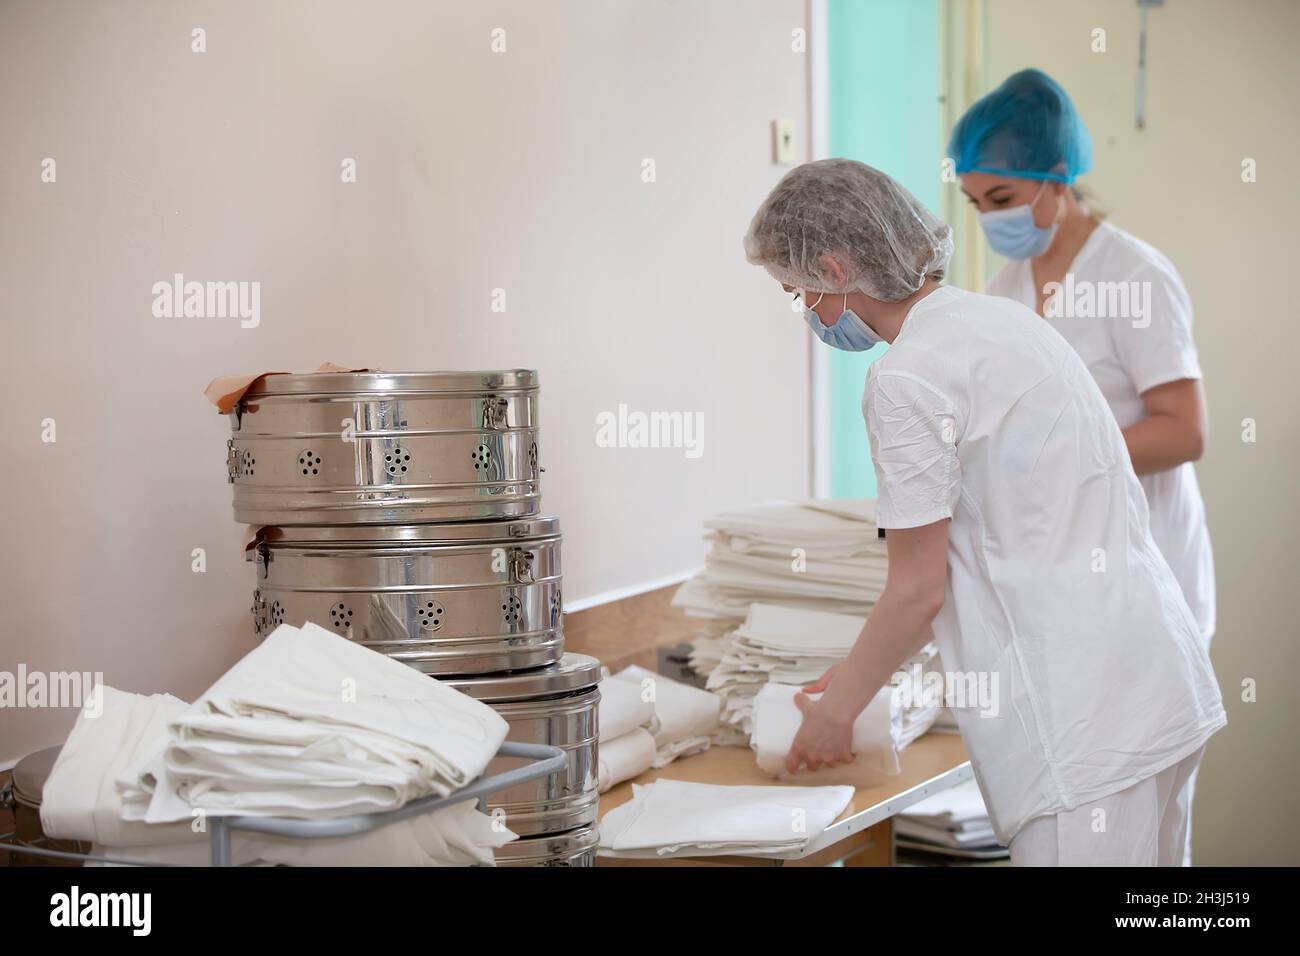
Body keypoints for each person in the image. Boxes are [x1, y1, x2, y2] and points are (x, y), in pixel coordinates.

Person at [743, 158, 1225, 866]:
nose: (806, 312)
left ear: (835, 264)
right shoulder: (1001, 322)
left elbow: (917, 587)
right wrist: (855, 671)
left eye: (797, 292)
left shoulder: (907, 377)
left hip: (1084, 727)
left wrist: (836, 715)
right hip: (1156, 679)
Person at [949, 70, 1216, 864]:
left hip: (1146, 584)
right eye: (975, 204)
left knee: (1144, 841)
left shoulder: (1133, 276)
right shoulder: (1005, 289)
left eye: (1001, 199)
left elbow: (1185, 429)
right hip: (1069, 605)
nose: (989, 219)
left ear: (1056, 180)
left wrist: (1057, 455)